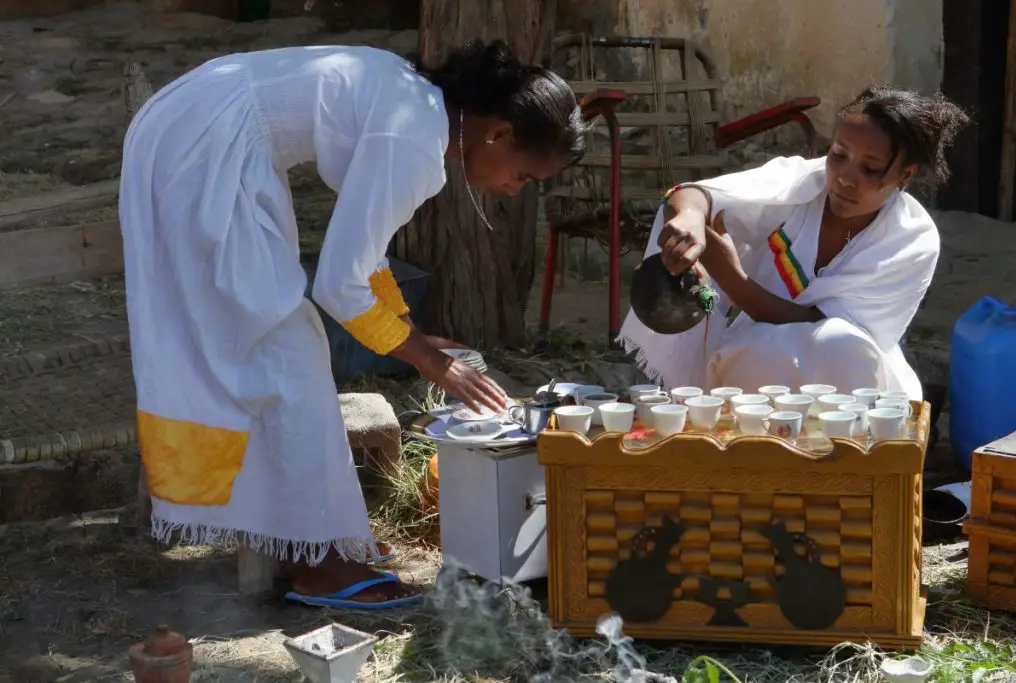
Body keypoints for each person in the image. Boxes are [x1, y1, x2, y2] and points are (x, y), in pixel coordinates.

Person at [119, 40, 585, 608]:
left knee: (271, 344)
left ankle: (300, 534)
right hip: (201, 140)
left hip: (202, 123)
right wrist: (432, 362)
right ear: (499, 133)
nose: (515, 189)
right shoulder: (414, 141)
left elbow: (364, 252)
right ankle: (317, 560)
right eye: (525, 176)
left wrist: (409, 329)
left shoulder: (419, 106)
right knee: (282, 351)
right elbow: (338, 285)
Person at [618, 86, 968, 398]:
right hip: (758, 347)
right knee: (754, 357)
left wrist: (733, 280)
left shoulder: (912, 240)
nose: (845, 178)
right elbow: (697, 195)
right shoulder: (800, 181)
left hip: (852, 376)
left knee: (840, 346)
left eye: (870, 168)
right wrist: (690, 218)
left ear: (905, 175)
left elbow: (825, 327)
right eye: (839, 155)